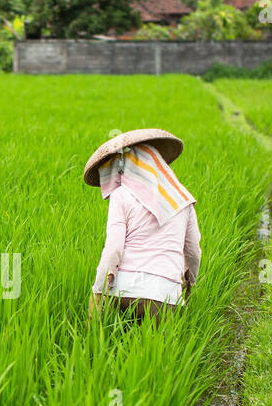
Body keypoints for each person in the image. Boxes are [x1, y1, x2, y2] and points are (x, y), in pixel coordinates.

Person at [84, 128, 201, 323]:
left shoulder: (121, 196)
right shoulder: (182, 200)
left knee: (115, 350)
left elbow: (113, 250)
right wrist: (188, 286)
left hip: (122, 294)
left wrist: (98, 292)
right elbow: (193, 251)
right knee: (156, 353)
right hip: (165, 297)